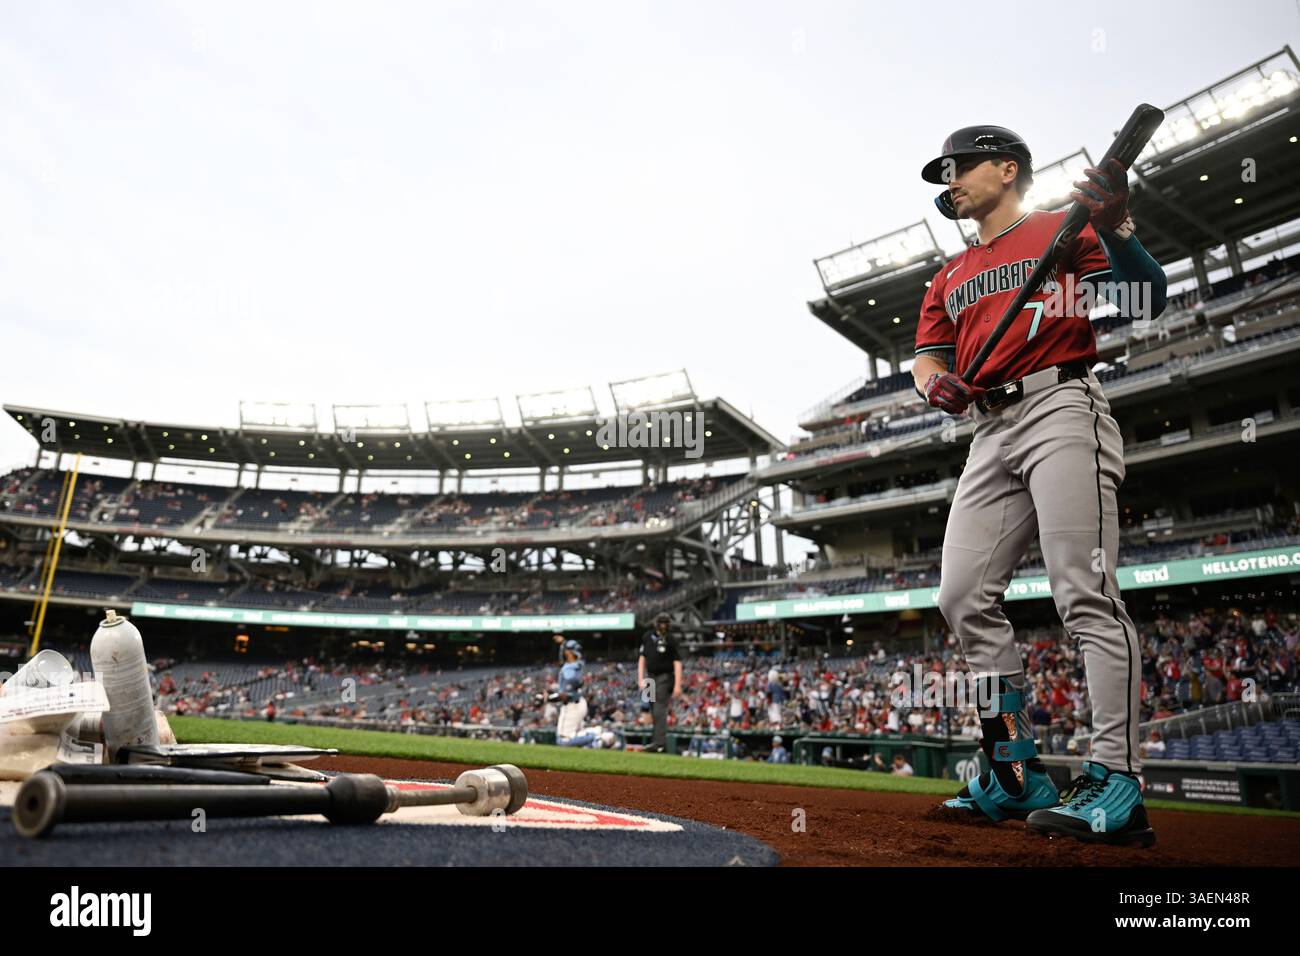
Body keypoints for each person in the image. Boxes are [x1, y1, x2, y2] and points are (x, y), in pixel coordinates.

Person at [917, 125, 1165, 847]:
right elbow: (927, 360)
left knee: (1083, 590)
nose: (949, 181)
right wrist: (937, 389)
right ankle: (1014, 772)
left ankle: (1117, 781)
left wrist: (1118, 227)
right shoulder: (948, 276)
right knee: (961, 596)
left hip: (1061, 403)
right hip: (988, 428)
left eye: (960, 167)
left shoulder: (1064, 226)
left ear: (1008, 168)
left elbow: (1148, 300)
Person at [638, 612, 682, 753]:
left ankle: (660, 743)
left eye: (665, 623)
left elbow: (677, 663)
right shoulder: (647, 637)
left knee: (659, 709)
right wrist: (640, 678)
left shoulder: (671, 639)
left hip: (665, 676)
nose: (663, 626)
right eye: (661, 623)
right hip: (650, 678)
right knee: (651, 710)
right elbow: (642, 659)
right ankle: (655, 741)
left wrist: (677, 685)